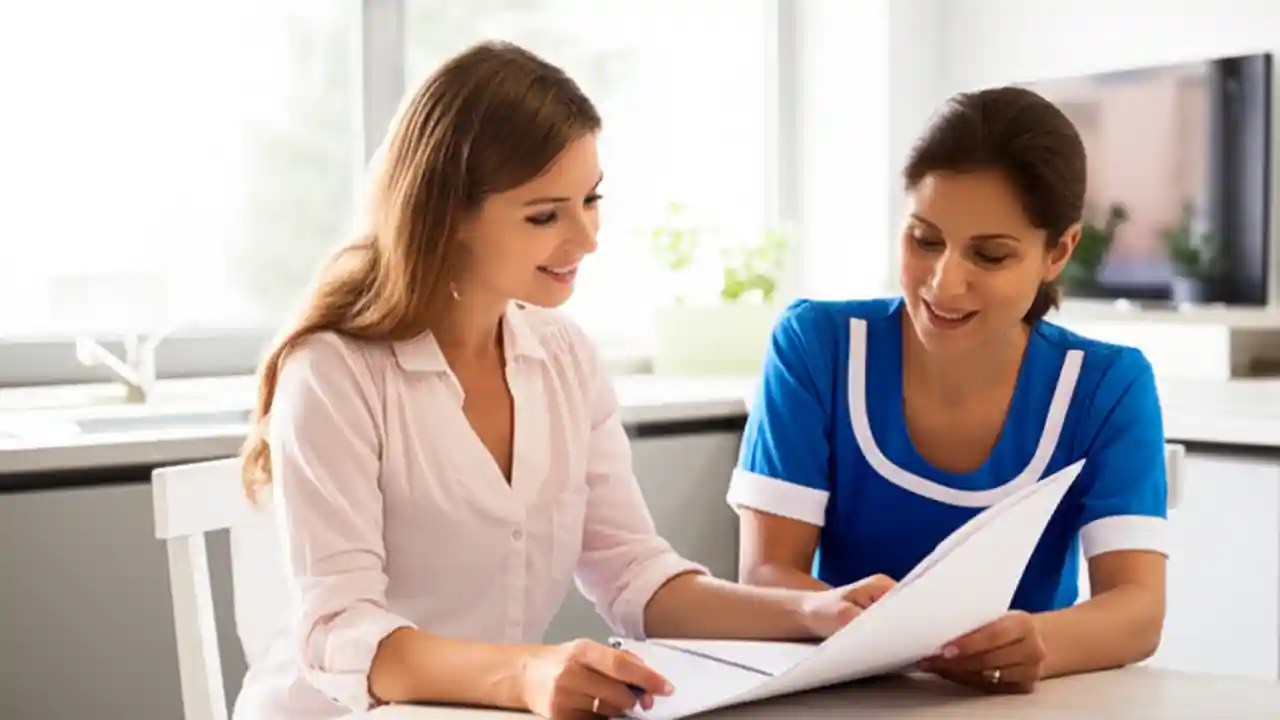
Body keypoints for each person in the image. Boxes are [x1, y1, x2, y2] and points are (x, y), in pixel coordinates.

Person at [233, 41, 893, 720]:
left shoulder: (564, 358)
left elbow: (636, 577)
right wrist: (525, 673)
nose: (587, 238)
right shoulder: (333, 373)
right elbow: (338, 632)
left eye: (591, 199)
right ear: (447, 215)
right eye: (545, 215)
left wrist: (814, 611)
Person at [729, 86, 1167, 694]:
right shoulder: (817, 347)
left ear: (1058, 251)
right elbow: (766, 569)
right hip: (841, 699)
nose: (943, 283)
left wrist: (1042, 643)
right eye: (924, 240)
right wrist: (865, 629)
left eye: (989, 255)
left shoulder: (1106, 386)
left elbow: (1138, 608)